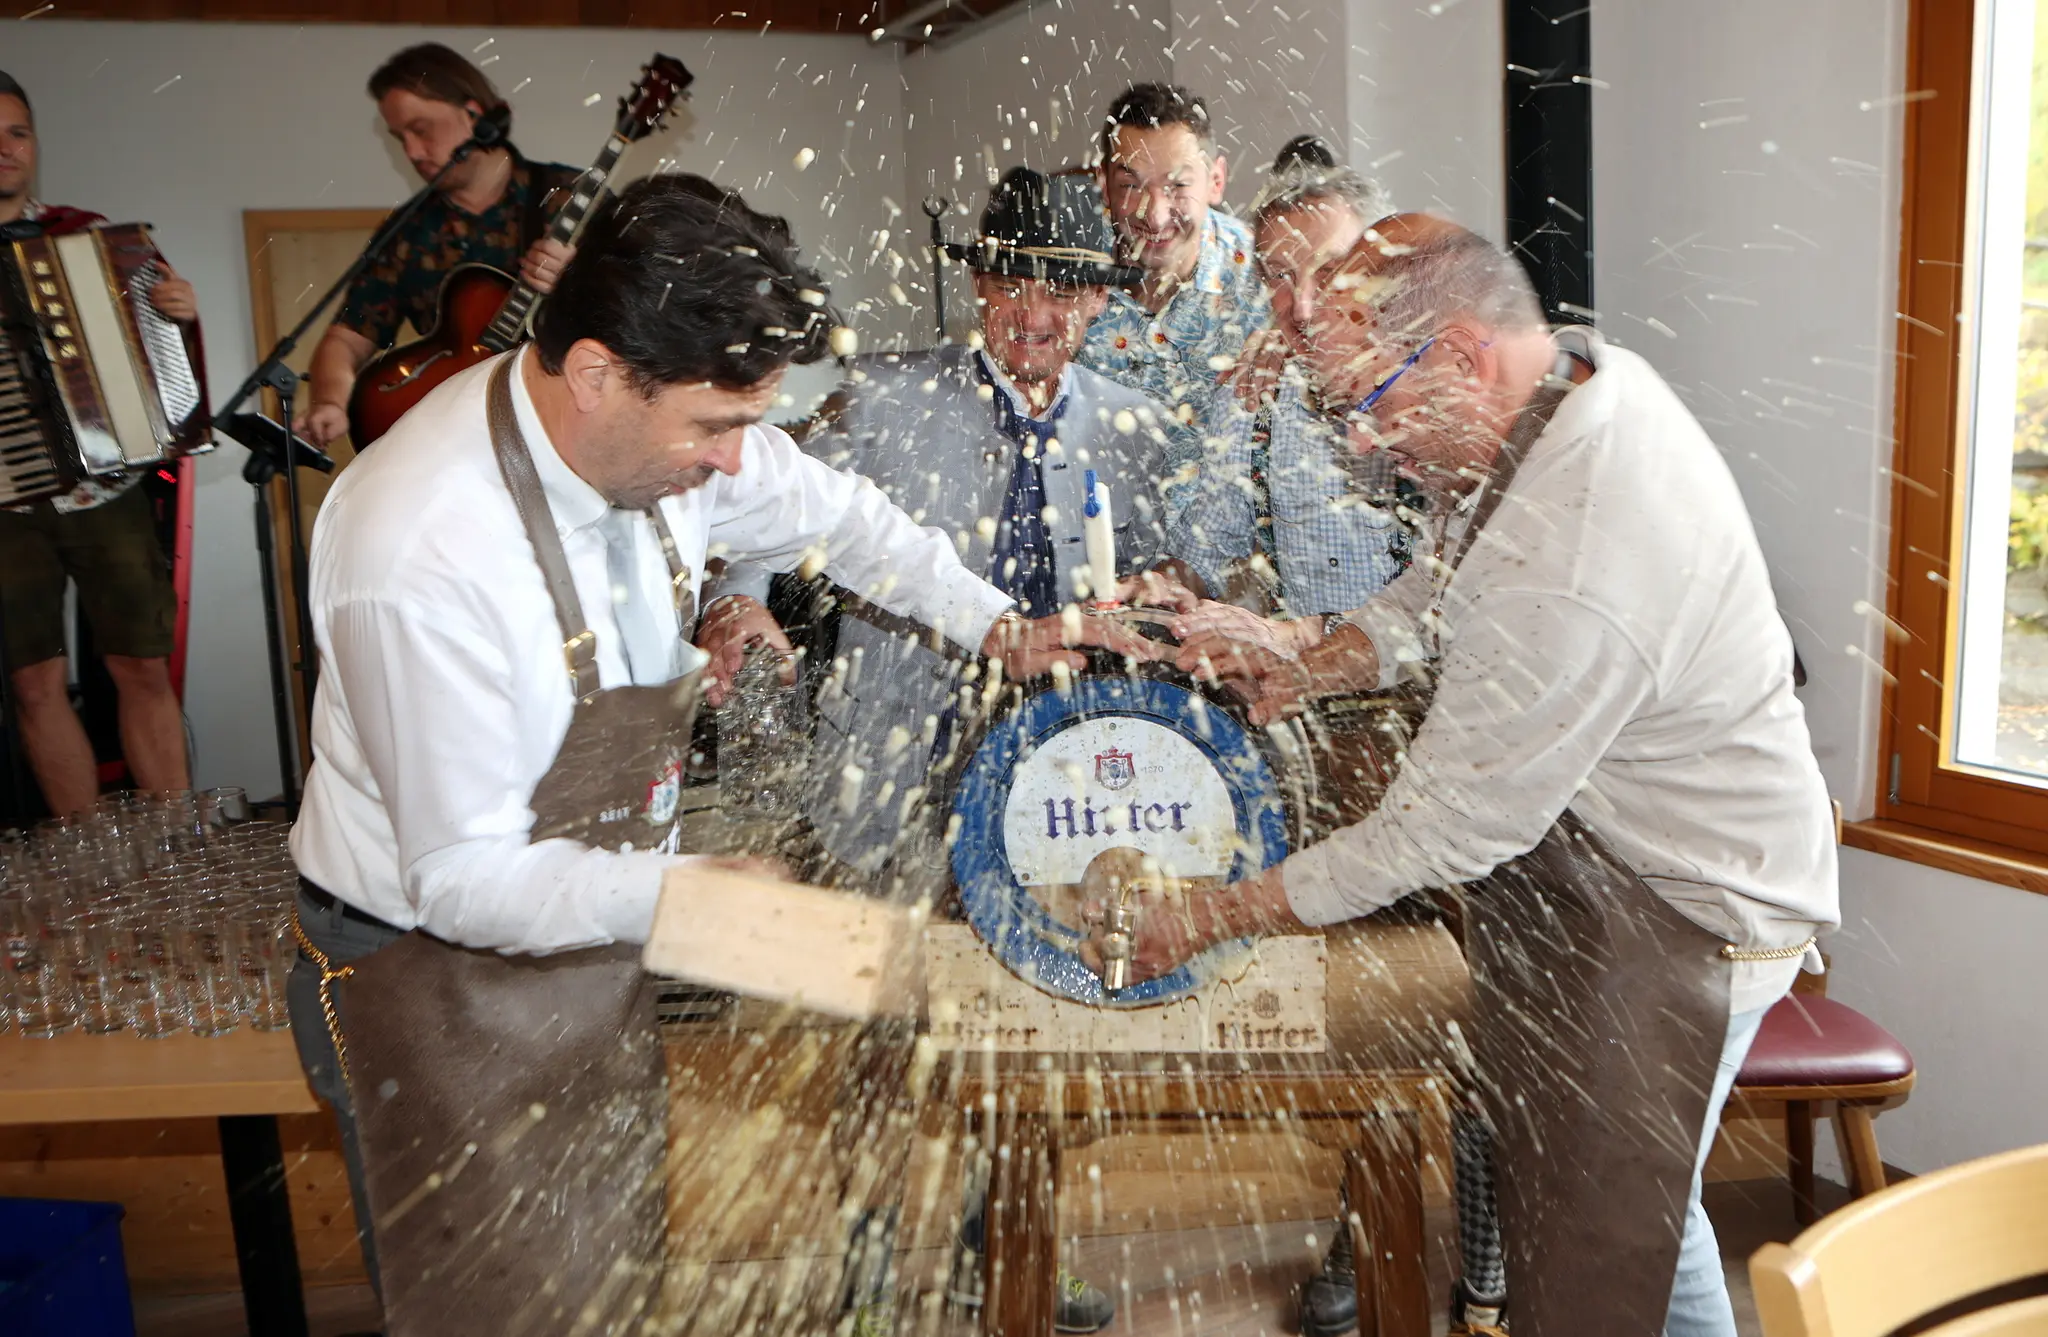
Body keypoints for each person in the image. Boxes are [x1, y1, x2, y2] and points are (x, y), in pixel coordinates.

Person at [286, 171, 1149, 1333]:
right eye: (717, 425)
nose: (744, 462)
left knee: (600, 1261)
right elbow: (463, 875)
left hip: (588, 933)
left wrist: (993, 621)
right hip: (422, 976)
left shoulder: (675, 443)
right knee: (487, 1299)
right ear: (595, 370)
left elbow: (845, 520)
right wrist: (701, 901)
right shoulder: (422, 547)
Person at [1094, 216, 1841, 1337]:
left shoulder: (1575, 543)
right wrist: (1308, 655)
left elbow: (1435, 833)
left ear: (1456, 351)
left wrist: (1216, 913)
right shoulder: (1568, 385)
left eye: (1365, 402)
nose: (1355, 441)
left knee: (1606, 1234)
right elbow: (1437, 584)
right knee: (1637, 1200)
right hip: (1612, 860)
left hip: (1689, 916)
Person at [704, 165, 1187, 1333]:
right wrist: (738, 602)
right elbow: (754, 521)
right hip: (886, 766)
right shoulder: (878, 400)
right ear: (977, 285)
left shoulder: (1132, 421)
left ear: (1097, 308)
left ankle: (1014, 1242)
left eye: (1063, 297)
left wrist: (1165, 592)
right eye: (1015, 284)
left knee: (1030, 1027)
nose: (1037, 315)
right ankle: (868, 1260)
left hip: (1050, 782)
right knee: (876, 1026)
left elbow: (1181, 575)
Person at [0, 70, 198, 815]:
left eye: (18, 132)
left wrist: (176, 312)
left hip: (102, 485)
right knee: (33, 681)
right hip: (5, 502)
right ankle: (85, 856)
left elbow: (157, 360)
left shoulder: (83, 235)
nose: (6, 149)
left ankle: (177, 844)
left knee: (142, 666)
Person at [294, 43, 581, 448]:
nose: (412, 152)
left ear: (474, 115)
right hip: (455, 446)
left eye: (421, 129)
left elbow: (648, 308)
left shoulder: (571, 198)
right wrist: (329, 402)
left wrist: (579, 277)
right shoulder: (407, 231)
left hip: (564, 434)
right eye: (399, 138)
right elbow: (346, 339)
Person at [1167, 162, 1412, 622]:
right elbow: (1205, 548)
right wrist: (1164, 587)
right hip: (1303, 686)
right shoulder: (1253, 398)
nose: (1302, 305)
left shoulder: (1442, 396)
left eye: (1331, 271)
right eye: (1279, 275)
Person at [1080, 83, 1266, 478]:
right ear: (1103, 185)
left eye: (1178, 186)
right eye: (1131, 186)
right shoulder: (1072, 282)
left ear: (1215, 180)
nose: (1155, 216)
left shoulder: (1270, 281)